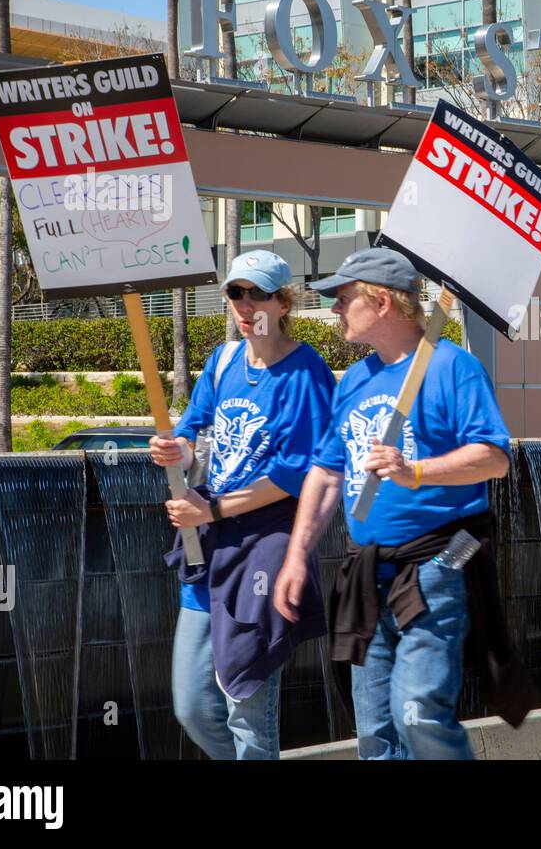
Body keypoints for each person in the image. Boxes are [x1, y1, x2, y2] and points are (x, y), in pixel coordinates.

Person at [272, 247, 532, 760]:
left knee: (418, 709)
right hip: (368, 569)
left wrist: (414, 471)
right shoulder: (356, 381)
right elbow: (326, 472)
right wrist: (297, 556)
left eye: (344, 299)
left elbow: (493, 458)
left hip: (446, 554)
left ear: (383, 302)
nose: (335, 310)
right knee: (375, 729)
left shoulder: (454, 368)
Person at [150, 249, 337, 759]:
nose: (245, 303)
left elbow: (295, 474)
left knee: (246, 706)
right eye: (236, 292)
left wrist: (209, 510)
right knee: (191, 704)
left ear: (283, 303)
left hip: (265, 545)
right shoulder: (223, 359)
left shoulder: (305, 371)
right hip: (208, 544)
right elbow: (194, 432)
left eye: (258, 293)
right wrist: (176, 450)